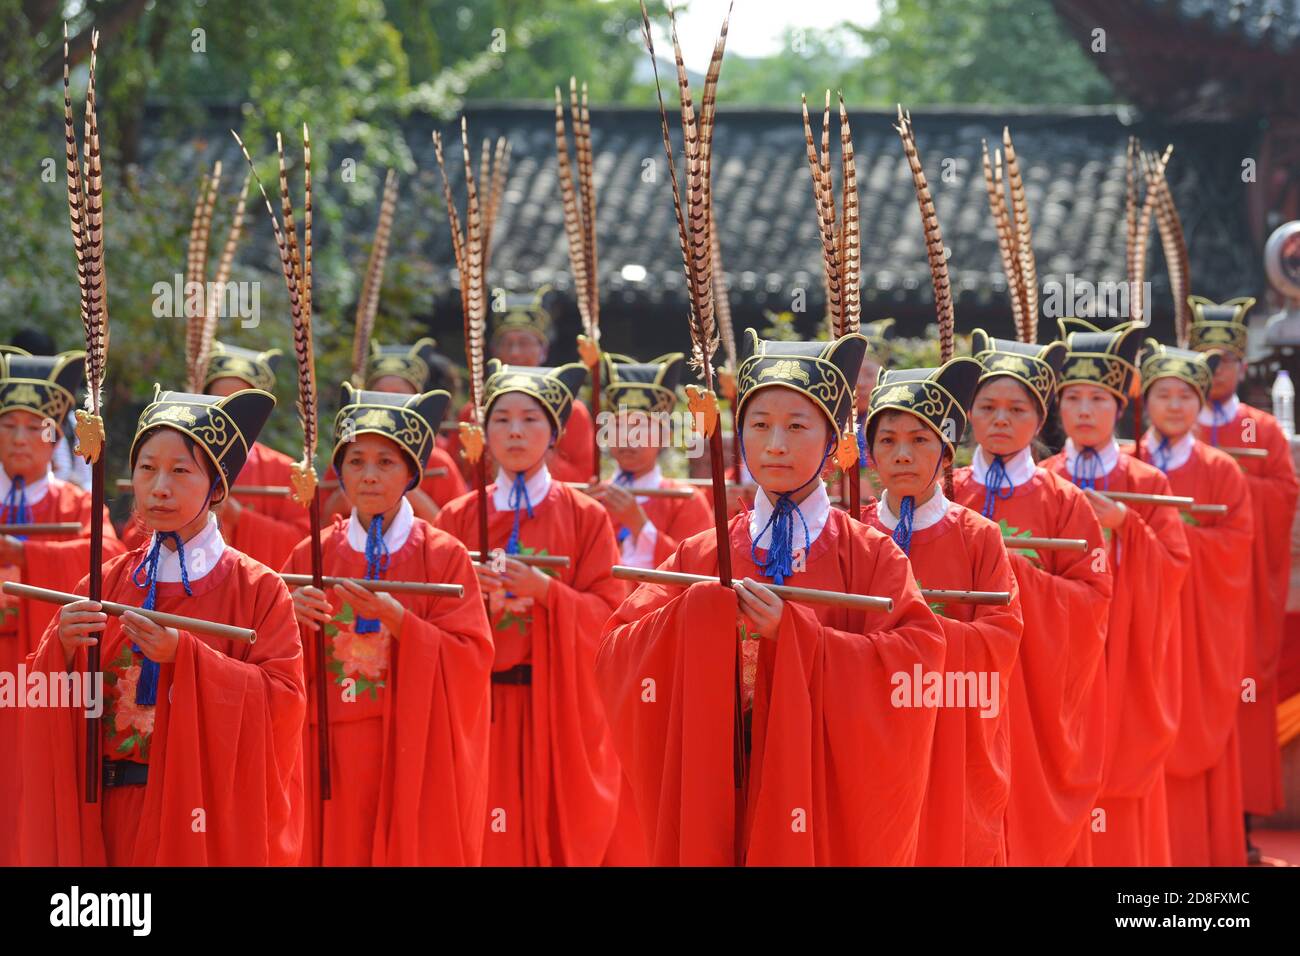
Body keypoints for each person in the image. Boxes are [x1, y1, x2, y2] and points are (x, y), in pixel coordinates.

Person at [598, 328, 946, 865]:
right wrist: (690, 617)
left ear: (832, 442)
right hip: (719, 773)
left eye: (796, 426)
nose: (776, 444)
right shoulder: (704, 549)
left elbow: (917, 663)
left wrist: (800, 636)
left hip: (818, 778)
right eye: (759, 426)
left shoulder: (871, 556)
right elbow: (616, 650)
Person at [20, 384, 305, 865]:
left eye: (179, 471)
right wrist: (60, 651)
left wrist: (188, 658)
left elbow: (285, 703)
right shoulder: (105, 580)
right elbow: (39, 698)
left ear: (217, 487)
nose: (159, 487)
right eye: (147, 468)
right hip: (106, 814)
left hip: (198, 819)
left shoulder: (258, 589)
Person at [434, 358, 632, 865]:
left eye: (530, 419)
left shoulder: (586, 516)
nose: (515, 432)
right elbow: (429, 611)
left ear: (555, 433)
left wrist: (549, 593)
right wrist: (466, 592)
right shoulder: (459, 515)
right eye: (501, 420)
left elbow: (613, 615)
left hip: (555, 704)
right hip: (481, 704)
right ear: (483, 431)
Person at [285, 383, 493, 865]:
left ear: (411, 473)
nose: (370, 476)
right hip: (328, 742)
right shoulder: (311, 553)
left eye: (386, 463)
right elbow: (273, 656)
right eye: (356, 462)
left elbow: (473, 655)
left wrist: (401, 621)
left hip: (410, 742)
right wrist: (292, 619)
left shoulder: (442, 554)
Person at [950, 331, 1112, 866]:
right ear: (969, 413)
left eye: (1017, 408)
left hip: (1031, 682)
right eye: (988, 406)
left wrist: (1017, 572)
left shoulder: (1066, 502)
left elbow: (1094, 597)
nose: (1001, 419)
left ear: (1039, 420)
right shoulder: (945, 491)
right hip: (957, 677)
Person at [860, 355, 1023, 865]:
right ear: (869, 454)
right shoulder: (853, 532)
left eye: (920, 440)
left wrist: (922, 633)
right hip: (869, 718)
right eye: (888, 441)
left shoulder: (978, 536)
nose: (903, 454)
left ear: (946, 454)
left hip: (952, 718)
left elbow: (1002, 636)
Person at [1040, 319, 1190, 865]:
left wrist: (1129, 522)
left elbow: (1175, 568)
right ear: (1057, 409)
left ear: (1118, 409)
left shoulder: (1148, 483)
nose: (1084, 410)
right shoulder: (1045, 477)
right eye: (1073, 398)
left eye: (1097, 399)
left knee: (1117, 771)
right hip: (1062, 652)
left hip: (1124, 650)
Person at [0, 347, 125, 865]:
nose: (22, 438)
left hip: (43, 674)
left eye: (37, 427)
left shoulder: (77, 504)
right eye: (9, 426)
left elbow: (111, 562)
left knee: (33, 782)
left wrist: (26, 554)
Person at [1187, 296, 1299, 855]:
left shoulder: (1261, 429)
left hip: (1242, 589)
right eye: (1208, 360)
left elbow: (1284, 494)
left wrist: (1227, 485)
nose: (1217, 371)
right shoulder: (1170, 426)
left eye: (1227, 361)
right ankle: (1186, 823)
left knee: (1243, 698)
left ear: (1241, 365)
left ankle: (1244, 824)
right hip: (1184, 589)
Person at [1140, 340, 1254, 866]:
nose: (1176, 405)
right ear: (1146, 402)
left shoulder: (1221, 469)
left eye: (1187, 395)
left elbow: (1236, 547)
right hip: (1140, 620)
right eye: (1164, 394)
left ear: (1201, 403)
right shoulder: (1127, 464)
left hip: (1198, 621)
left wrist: (1172, 540)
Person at [119, 343, 311, 570]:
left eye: (236, 403)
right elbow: (136, 535)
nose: (225, 410)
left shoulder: (286, 469)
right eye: (216, 399)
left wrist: (240, 518)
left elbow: (303, 544)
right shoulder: (169, 460)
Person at [582, 352, 712, 580]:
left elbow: (698, 571)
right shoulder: (593, 497)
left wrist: (639, 524)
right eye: (618, 426)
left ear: (664, 436)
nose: (628, 437)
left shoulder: (685, 500)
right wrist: (587, 513)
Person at [446, 291, 597, 484]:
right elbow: (456, 481)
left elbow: (586, 480)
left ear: (543, 351)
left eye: (524, 343)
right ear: (494, 351)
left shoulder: (572, 412)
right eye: (506, 344)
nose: (515, 353)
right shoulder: (474, 411)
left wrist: (541, 453)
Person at [322, 337, 467, 524]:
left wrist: (409, 493)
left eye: (398, 394)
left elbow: (454, 530)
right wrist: (341, 497)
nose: (386, 399)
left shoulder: (438, 461)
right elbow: (318, 530)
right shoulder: (347, 453)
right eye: (379, 391)